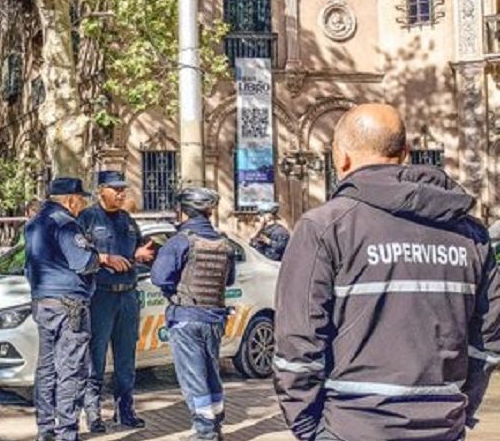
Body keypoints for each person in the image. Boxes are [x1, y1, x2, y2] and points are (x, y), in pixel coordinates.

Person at [274, 103, 500, 441]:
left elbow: (297, 343)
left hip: (353, 427)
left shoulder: (325, 228)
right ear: (405, 153)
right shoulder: (470, 234)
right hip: (442, 427)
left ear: (341, 157)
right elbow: (487, 340)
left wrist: (307, 427)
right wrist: (457, 410)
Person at [25, 177, 113, 441]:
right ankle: (67, 432)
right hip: (69, 306)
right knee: (71, 370)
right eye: (81, 199)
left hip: (44, 302)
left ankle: (45, 429)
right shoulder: (65, 224)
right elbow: (83, 262)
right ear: (70, 200)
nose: (82, 205)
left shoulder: (33, 224)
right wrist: (98, 257)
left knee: (46, 368)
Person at [151, 186, 237, 441]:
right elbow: (229, 280)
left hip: (186, 317)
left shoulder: (180, 241)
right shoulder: (224, 243)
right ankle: (215, 424)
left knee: (193, 376)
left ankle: (205, 432)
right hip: (215, 318)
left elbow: (159, 277)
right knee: (211, 372)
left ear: (182, 211)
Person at [78, 170, 155, 432]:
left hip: (128, 296)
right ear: (101, 190)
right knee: (95, 358)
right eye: (115, 189)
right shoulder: (88, 218)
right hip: (101, 296)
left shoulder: (127, 220)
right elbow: (78, 256)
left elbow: (135, 253)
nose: (121, 194)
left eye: (123, 189)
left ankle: (125, 410)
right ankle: (93, 413)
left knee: (126, 359)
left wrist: (140, 254)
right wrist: (103, 257)